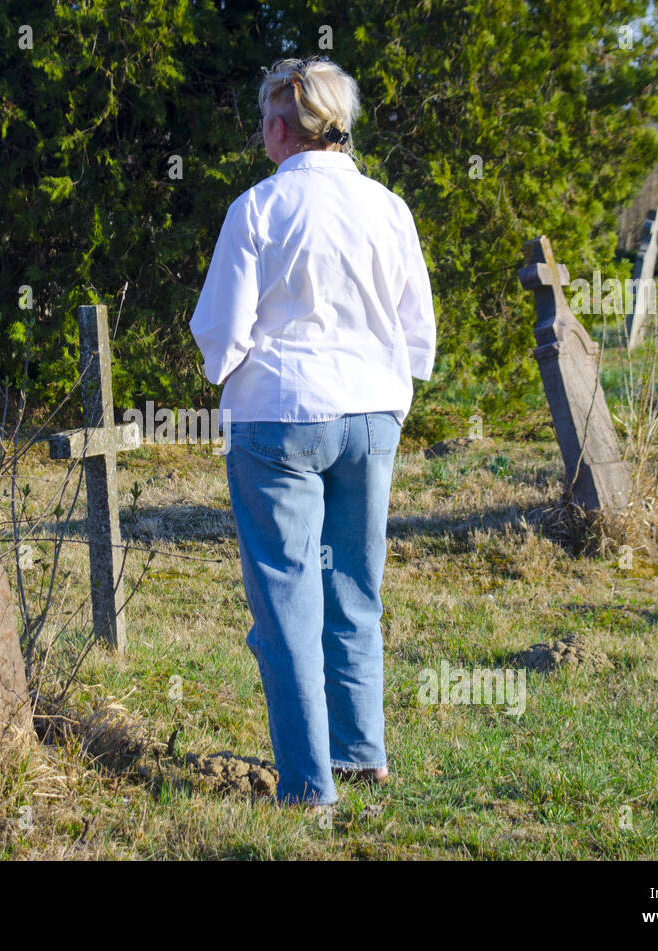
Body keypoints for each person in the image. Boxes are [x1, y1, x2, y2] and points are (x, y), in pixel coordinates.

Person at [189, 55, 437, 807]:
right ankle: (363, 752)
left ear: (278, 126)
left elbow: (221, 332)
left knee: (287, 604)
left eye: (264, 119)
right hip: (369, 415)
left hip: (278, 414)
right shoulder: (388, 207)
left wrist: (226, 376)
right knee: (357, 587)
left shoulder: (256, 209)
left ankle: (307, 784)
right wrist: (391, 398)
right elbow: (417, 329)